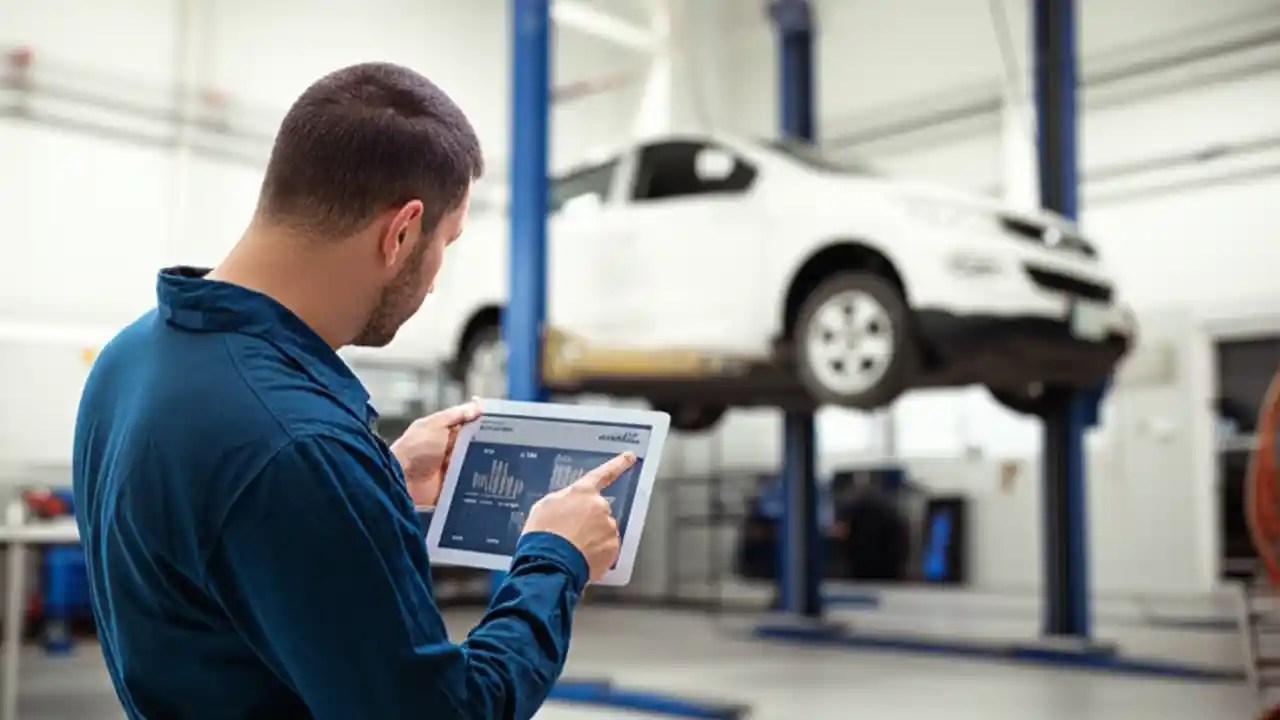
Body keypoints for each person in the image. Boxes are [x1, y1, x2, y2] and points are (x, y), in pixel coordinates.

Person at [72, 62, 630, 720]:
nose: (435, 276)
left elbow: (233, 554)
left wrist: (377, 476)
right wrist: (553, 560)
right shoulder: (297, 448)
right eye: (444, 243)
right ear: (400, 233)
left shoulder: (133, 356)